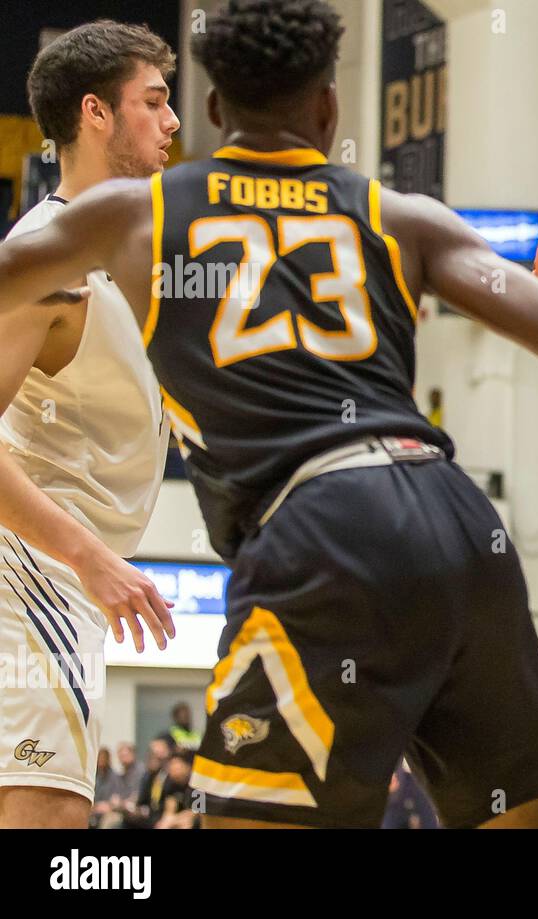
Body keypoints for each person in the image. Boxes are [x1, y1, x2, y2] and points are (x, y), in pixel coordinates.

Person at [0, 0, 538, 829]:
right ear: (328, 109)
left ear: (213, 110)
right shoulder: (398, 213)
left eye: (176, 100)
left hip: (317, 530)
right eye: (150, 99)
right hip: (458, 524)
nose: (168, 119)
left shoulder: (140, 216)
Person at [0, 20, 177, 830]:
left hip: (59, 574)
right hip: (34, 569)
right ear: (97, 114)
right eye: (155, 101)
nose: (172, 121)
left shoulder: (134, 254)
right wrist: (89, 557)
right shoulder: (48, 257)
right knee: (50, 822)